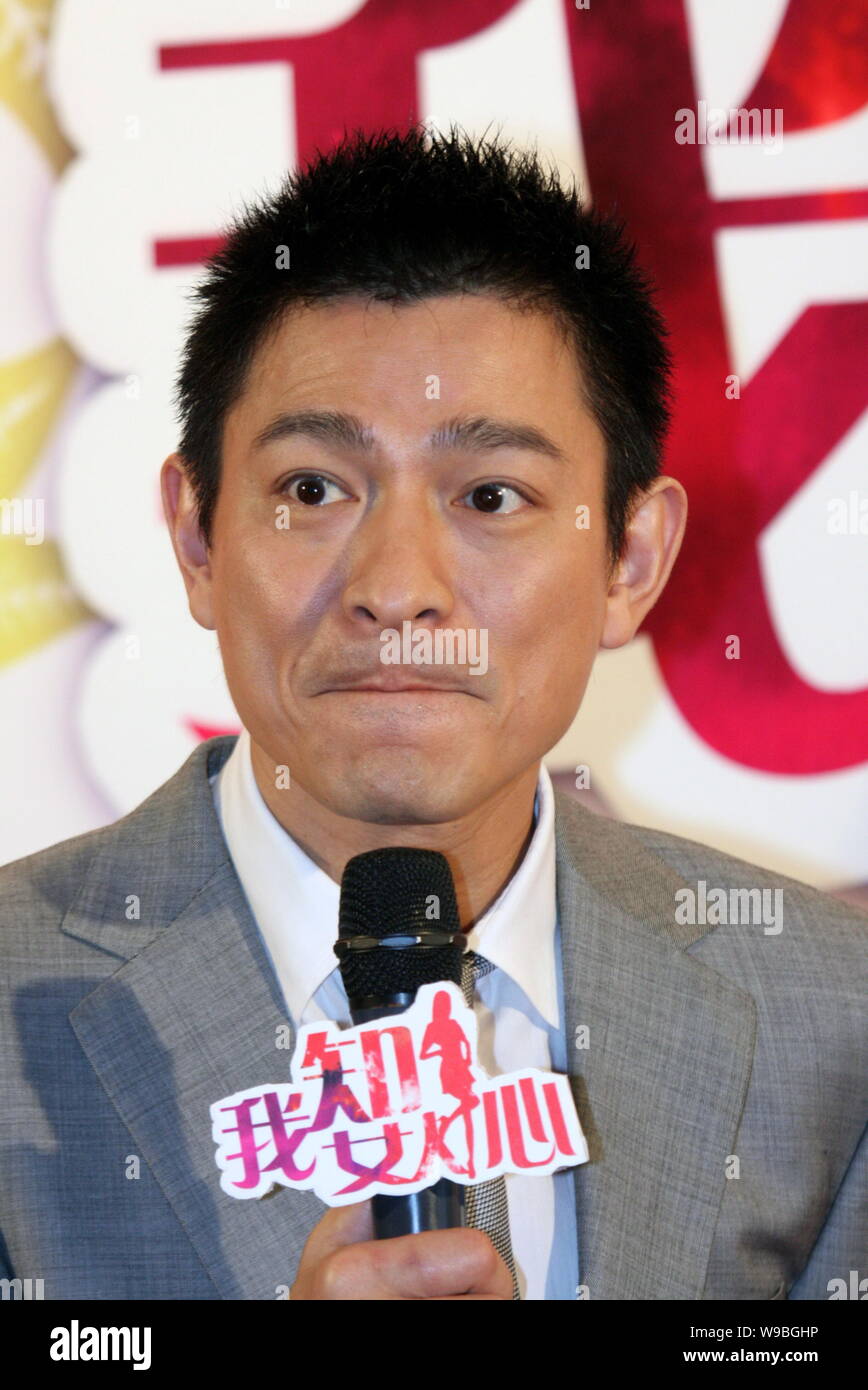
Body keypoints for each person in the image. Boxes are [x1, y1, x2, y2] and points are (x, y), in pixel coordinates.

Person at [1, 126, 864, 1302]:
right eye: (313, 488)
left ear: (630, 558)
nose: (397, 584)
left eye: (492, 495)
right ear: (197, 537)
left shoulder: (831, 1018)